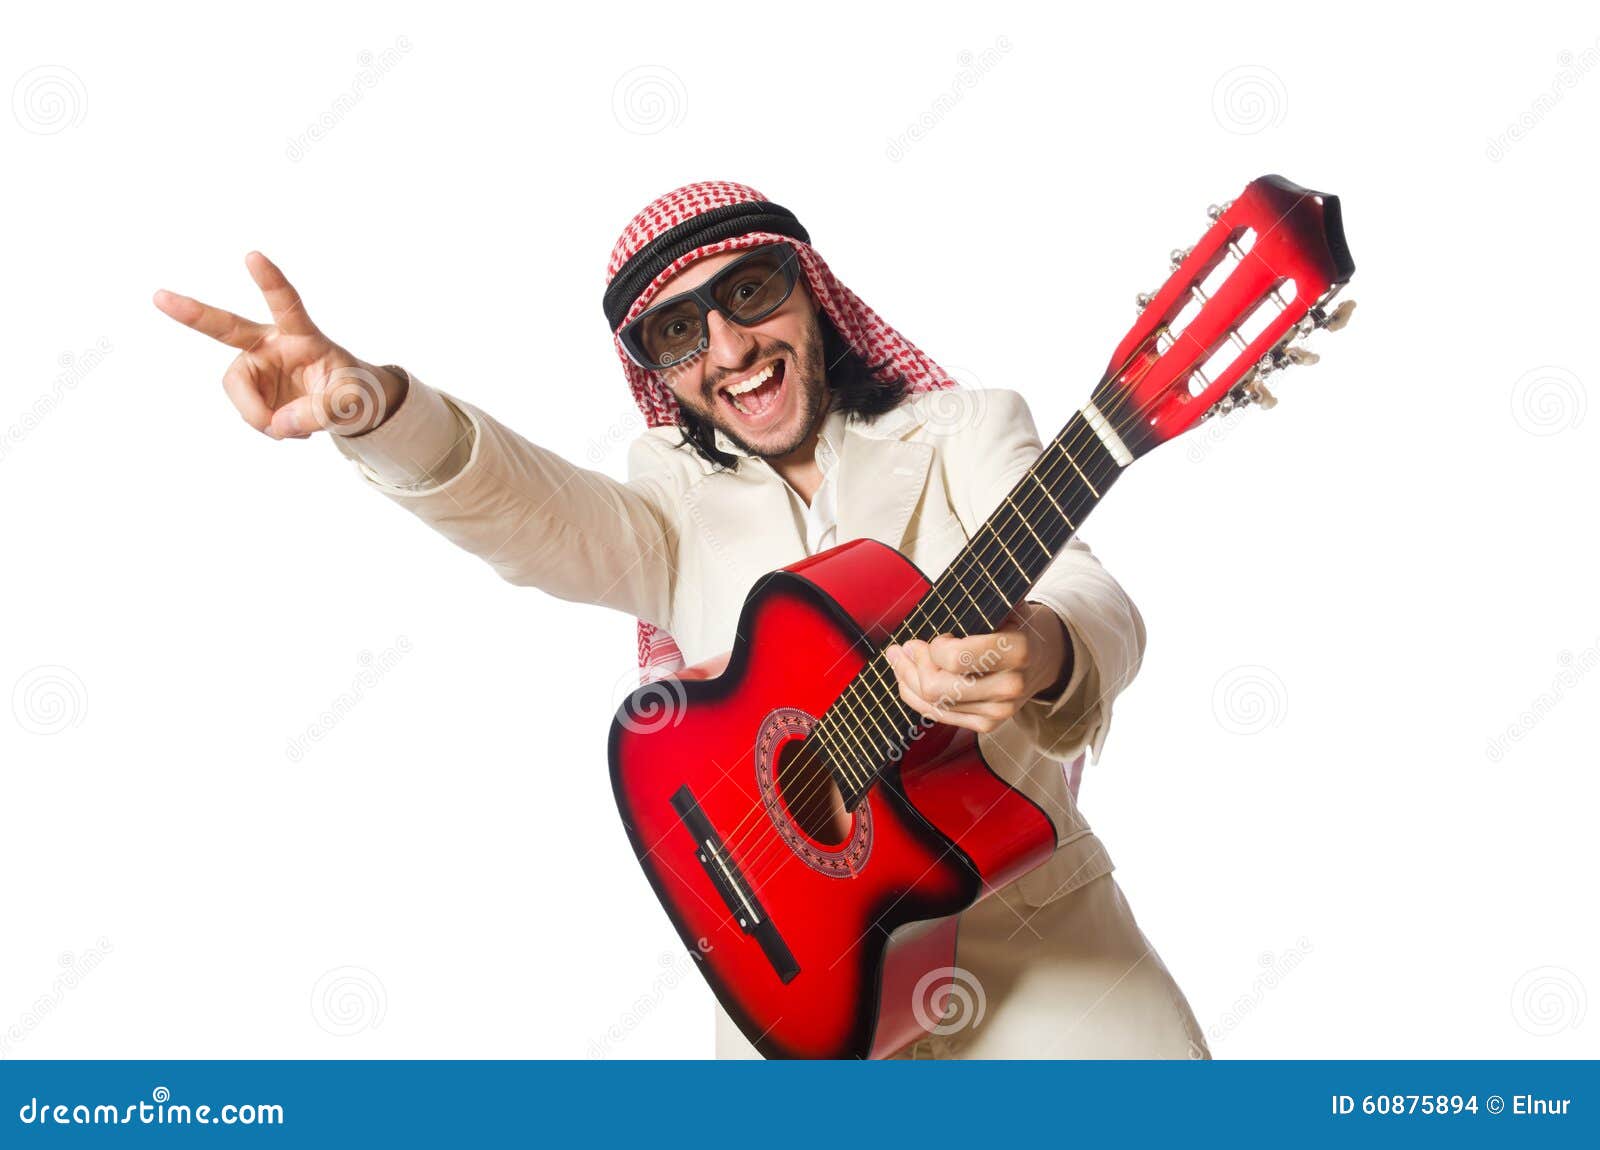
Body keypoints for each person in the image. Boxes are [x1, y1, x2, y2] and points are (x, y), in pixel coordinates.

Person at [153, 180, 1209, 1060]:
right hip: (795, 990)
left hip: (1043, 953)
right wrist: (371, 405)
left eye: (750, 292)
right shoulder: (668, 506)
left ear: (812, 294)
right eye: (677, 331)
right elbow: (527, 511)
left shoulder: (963, 430)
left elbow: (1086, 589)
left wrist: (1044, 649)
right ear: (656, 369)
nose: (729, 344)